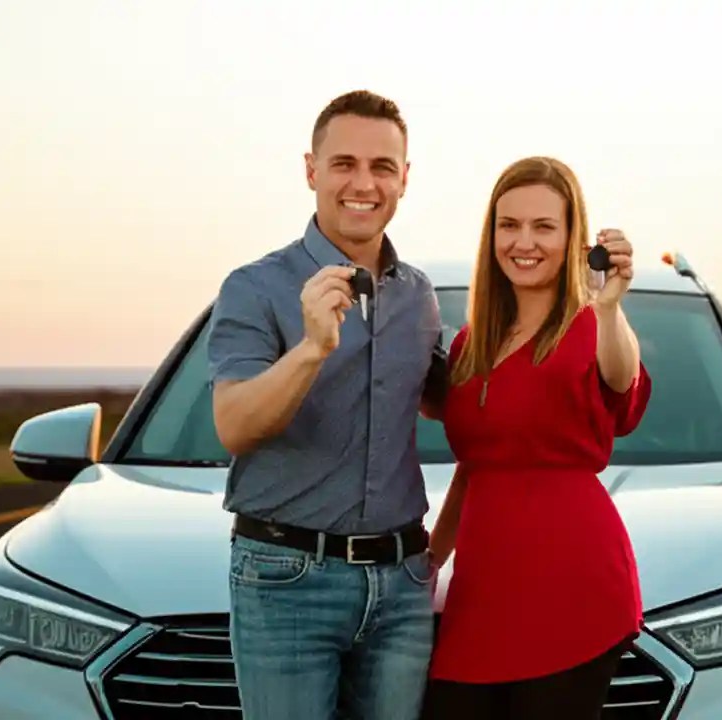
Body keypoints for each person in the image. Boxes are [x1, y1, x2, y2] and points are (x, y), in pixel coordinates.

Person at [207, 90, 449, 720]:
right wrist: (313, 347)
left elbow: (465, 405)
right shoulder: (253, 288)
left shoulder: (420, 297)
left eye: (382, 167)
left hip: (403, 582)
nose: (362, 183)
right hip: (287, 580)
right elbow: (233, 425)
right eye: (343, 163)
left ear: (404, 179)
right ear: (311, 170)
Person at [421, 156, 652, 719]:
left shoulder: (593, 326)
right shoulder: (471, 344)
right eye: (510, 225)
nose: (524, 242)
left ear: (573, 237)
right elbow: (476, 466)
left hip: (572, 586)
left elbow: (622, 379)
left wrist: (610, 306)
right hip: (483, 589)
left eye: (543, 226)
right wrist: (430, 560)